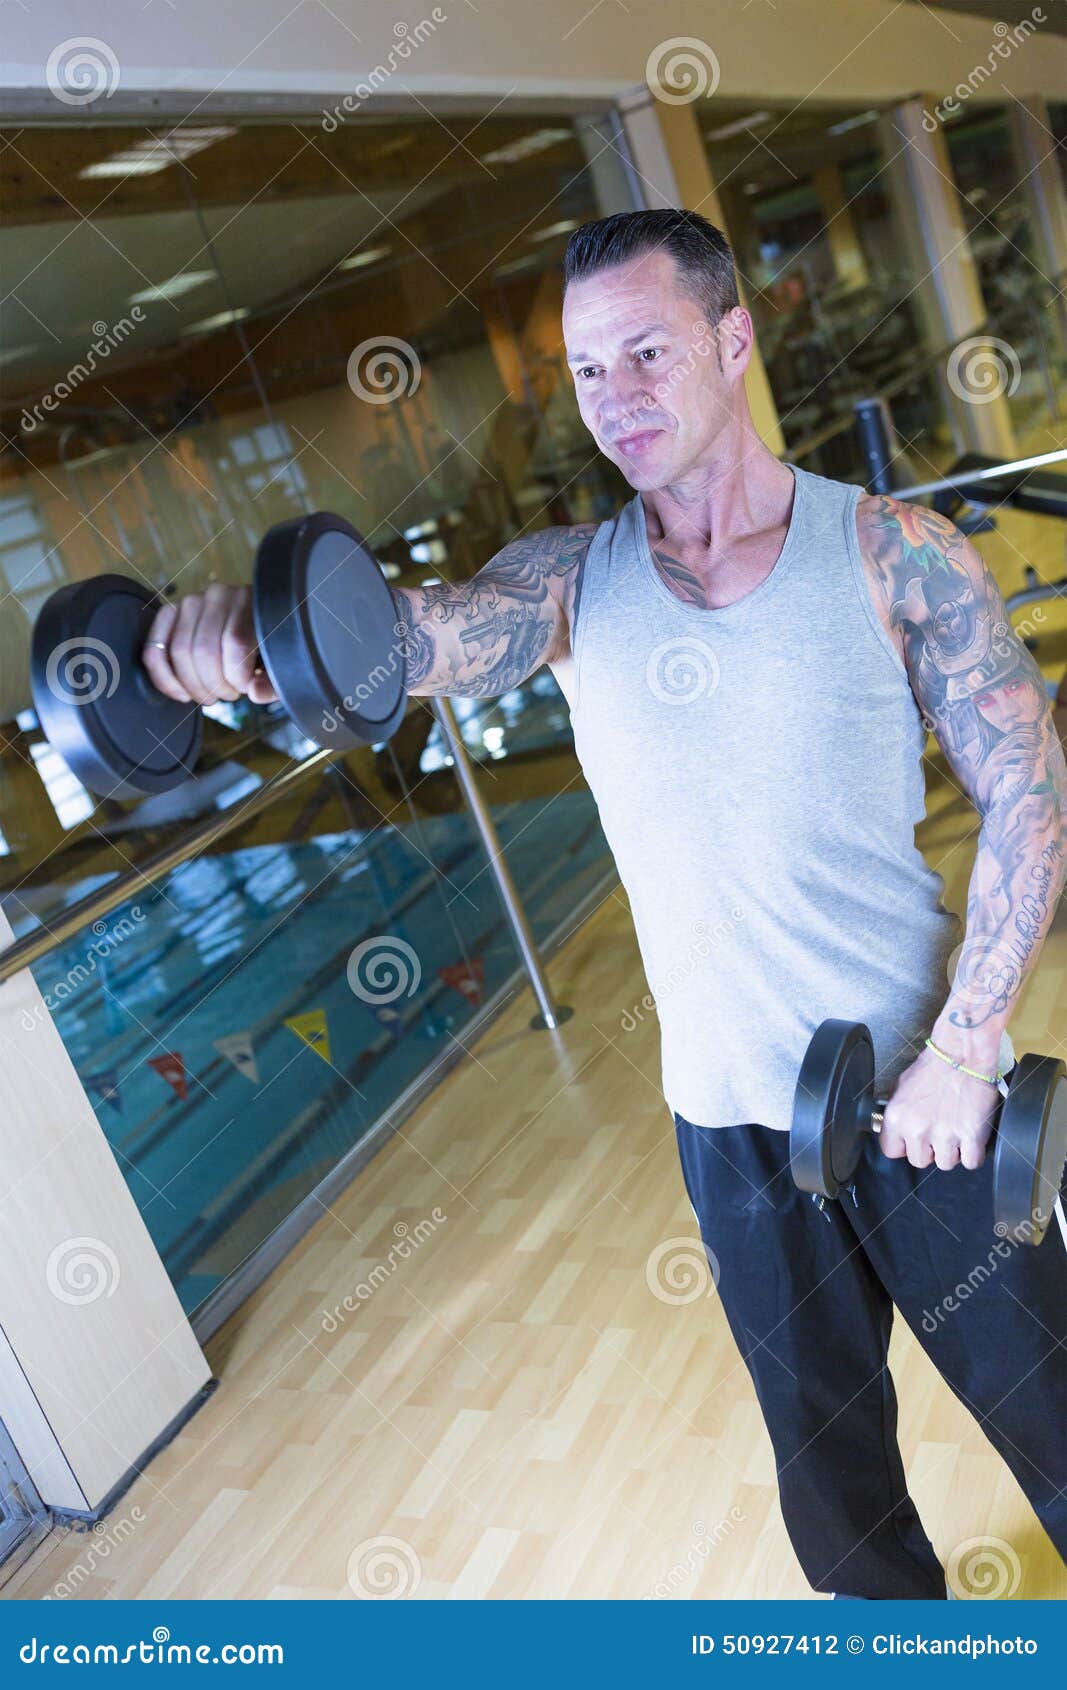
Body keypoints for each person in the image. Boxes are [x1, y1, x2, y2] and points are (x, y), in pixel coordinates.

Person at [141, 209, 1067, 1602]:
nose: (614, 395)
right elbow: (408, 640)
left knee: (1058, 1416)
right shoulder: (569, 583)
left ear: (734, 339)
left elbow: (1031, 793)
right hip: (732, 1129)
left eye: (645, 351)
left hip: (922, 1097)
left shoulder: (894, 552)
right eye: (585, 369)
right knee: (836, 1498)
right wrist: (248, 646)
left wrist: (968, 1044)